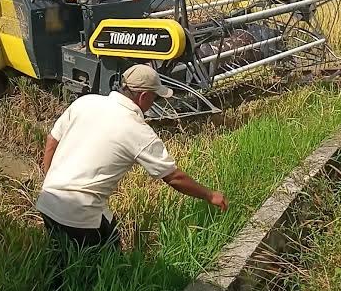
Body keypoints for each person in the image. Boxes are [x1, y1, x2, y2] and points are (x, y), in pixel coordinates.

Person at [36, 64, 229, 248]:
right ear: (143, 96)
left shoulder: (85, 102)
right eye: (154, 97)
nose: (154, 102)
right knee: (98, 270)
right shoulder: (137, 129)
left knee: (68, 257)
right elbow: (174, 177)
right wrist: (209, 194)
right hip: (79, 213)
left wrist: (50, 178)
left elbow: (53, 139)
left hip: (48, 200)